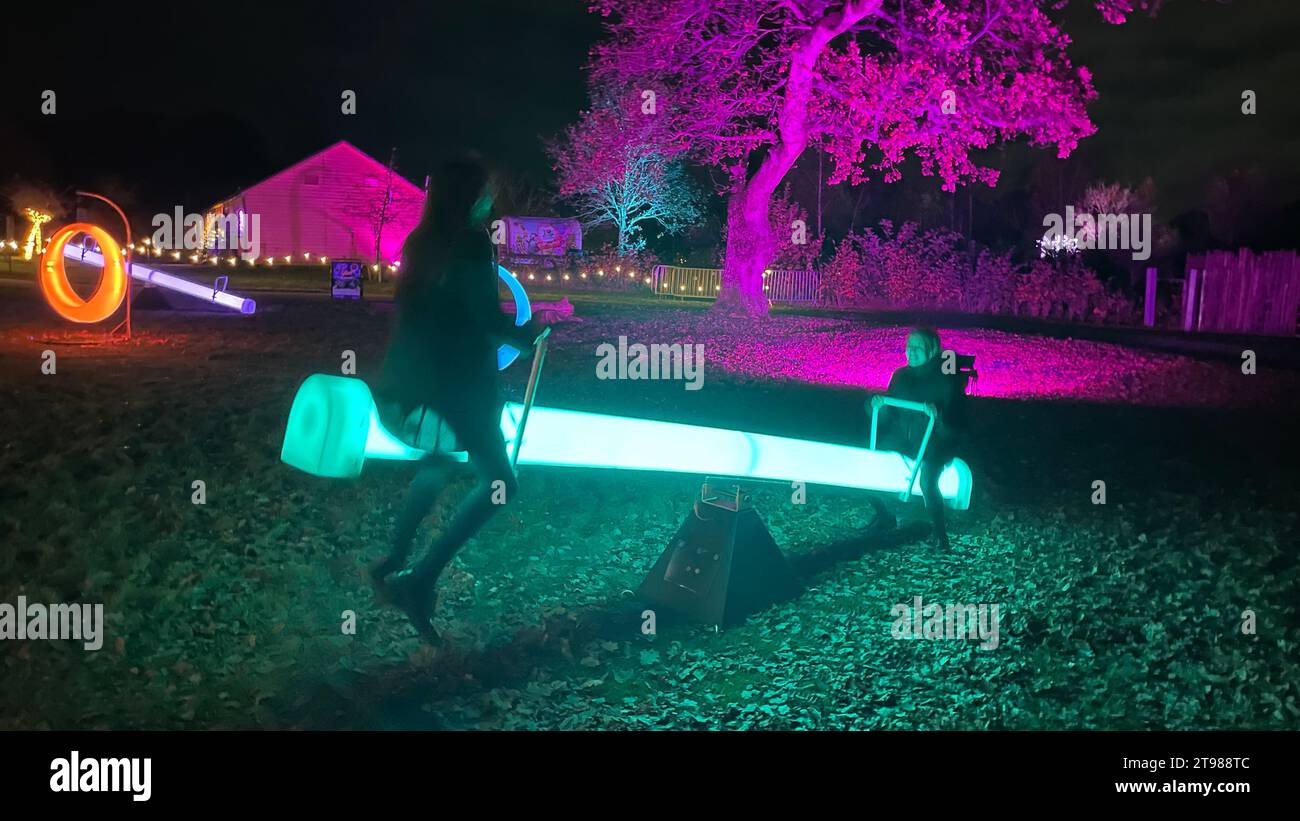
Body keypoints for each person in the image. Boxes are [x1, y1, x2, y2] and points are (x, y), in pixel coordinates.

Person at [368, 155, 542, 640]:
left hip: (408, 388)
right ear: (472, 195)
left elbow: (434, 314)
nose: (491, 198)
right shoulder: (470, 242)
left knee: (440, 462)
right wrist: (532, 334)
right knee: (500, 483)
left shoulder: (420, 241)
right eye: (486, 190)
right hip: (453, 391)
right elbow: (486, 322)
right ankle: (418, 582)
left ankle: (396, 559)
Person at [868, 327, 967, 550]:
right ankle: (884, 516)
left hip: (936, 440)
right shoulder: (901, 376)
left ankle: (940, 535)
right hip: (905, 437)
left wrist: (938, 416)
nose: (910, 352)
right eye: (908, 347)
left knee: (928, 479)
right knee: (867, 463)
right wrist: (878, 406)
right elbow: (890, 413)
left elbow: (955, 419)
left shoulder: (945, 379)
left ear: (931, 350)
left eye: (917, 348)